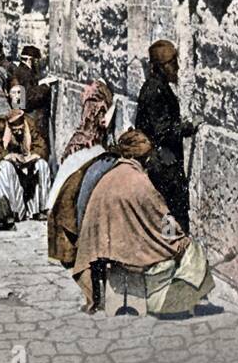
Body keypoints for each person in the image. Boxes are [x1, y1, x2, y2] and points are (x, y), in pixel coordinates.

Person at [71, 129, 213, 315]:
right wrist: (180, 238)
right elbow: (163, 218)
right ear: (143, 158)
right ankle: (185, 298)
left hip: (100, 249)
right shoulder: (140, 181)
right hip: (127, 251)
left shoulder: (108, 175)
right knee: (191, 248)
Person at [135, 39, 197, 233]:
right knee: (169, 210)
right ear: (161, 67)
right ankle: (169, 249)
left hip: (163, 160)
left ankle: (168, 248)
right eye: (172, 64)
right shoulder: (155, 90)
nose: (176, 68)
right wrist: (188, 127)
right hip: (162, 163)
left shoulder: (157, 86)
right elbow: (163, 132)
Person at [0, 106, 50, 229]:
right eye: (15, 131)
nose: (18, 133)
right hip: (4, 166)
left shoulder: (30, 124)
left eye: (21, 130)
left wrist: (33, 156)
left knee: (42, 164)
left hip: (25, 165)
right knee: (6, 167)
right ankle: (7, 214)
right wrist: (8, 155)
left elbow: (41, 146)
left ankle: (41, 210)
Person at [62, 79, 115, 161]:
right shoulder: (97, 103)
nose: (86, 87)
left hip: (85, 141)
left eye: (91, 85)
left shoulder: (93, 103)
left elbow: (94, 123)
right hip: (92, 142)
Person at [12, 44, 53, 147]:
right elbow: (28, 99)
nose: (38, 64)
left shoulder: (20, 71)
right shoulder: (24, 73)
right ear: (31, 60)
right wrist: (45, 87)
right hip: (31, 119)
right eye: (37, 61)